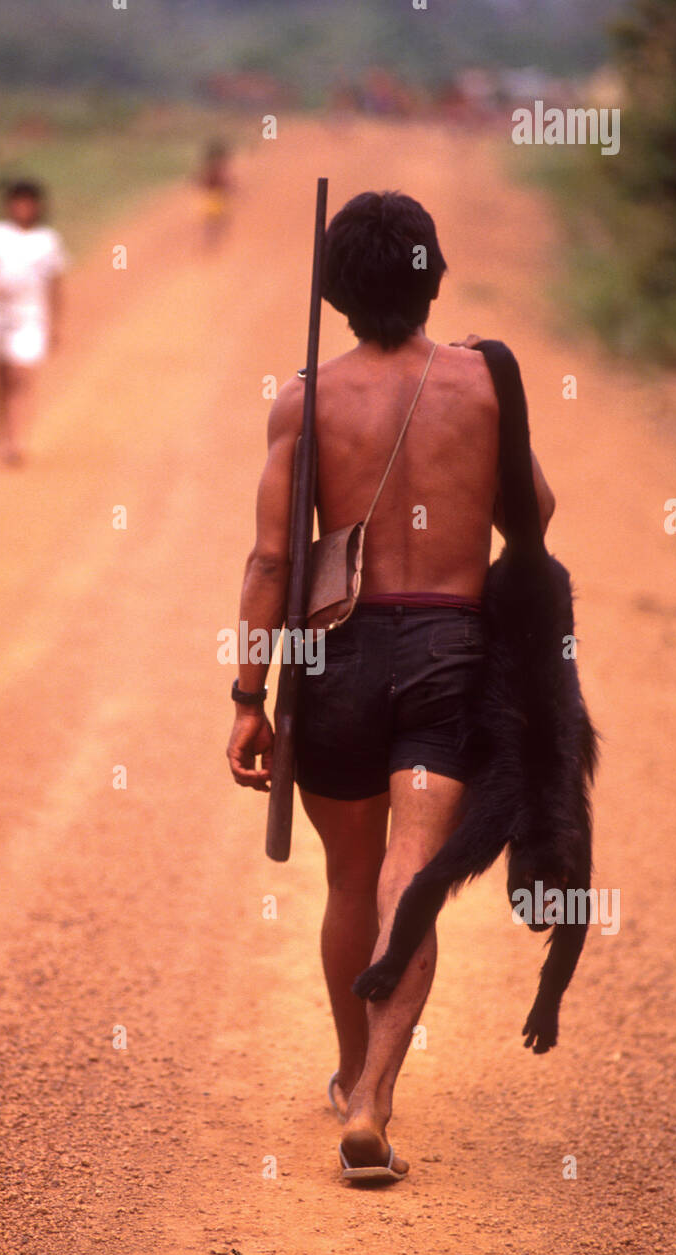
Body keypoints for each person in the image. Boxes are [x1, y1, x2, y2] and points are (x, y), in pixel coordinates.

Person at [226, 192, 555, 1182]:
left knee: (346, 880)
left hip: (334, 659)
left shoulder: (303, 399)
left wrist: (248, 694)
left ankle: (344, 1066)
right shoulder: (482, 382)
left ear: (332, 293)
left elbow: (270, 560)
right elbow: (532, 511)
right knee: (409, 875)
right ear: (434, 277)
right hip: (449, 654)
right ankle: (374, 1094)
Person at [0, 179, 67, 466]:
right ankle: (1, 436)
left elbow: (55, 284)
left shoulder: (47, 240)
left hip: (30, 314)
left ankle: (16, 438)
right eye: (17, 201)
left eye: (28, 202)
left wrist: (54, 324)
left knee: (19, 375)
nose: (22, 208)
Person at [196, 140, 233, 248]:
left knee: (215, 220)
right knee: (216, 220)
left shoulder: (211, 168)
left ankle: (213, 241)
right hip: (215, 195)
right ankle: (214, 241)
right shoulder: (214, 169)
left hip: (213, 195)